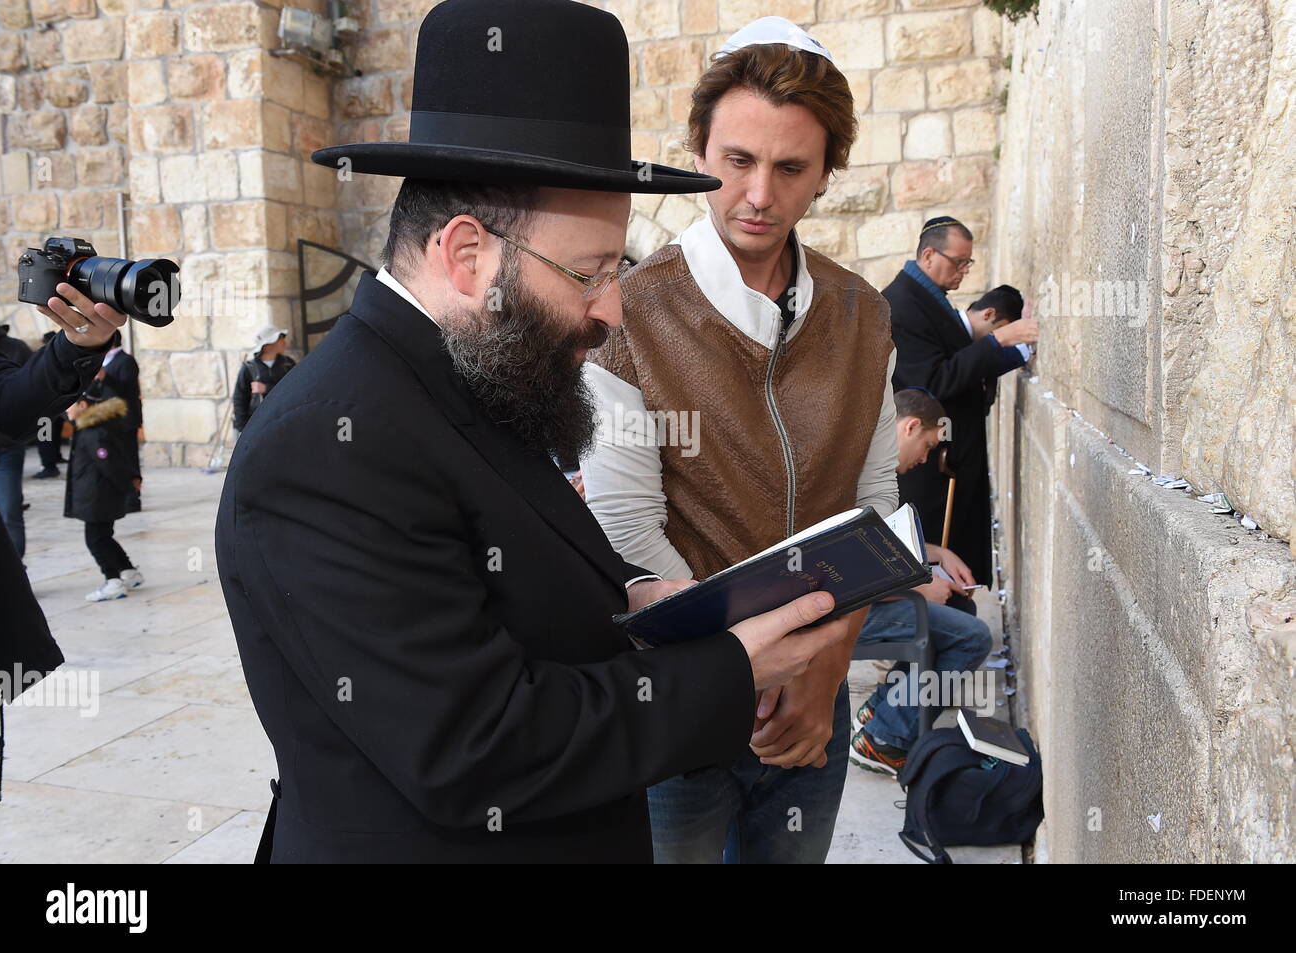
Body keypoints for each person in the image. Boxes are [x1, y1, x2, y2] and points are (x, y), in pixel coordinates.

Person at [215, 0, 855, 864]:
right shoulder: (324, 452)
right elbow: (478, 745)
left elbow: (492, 584)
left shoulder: (473, 374)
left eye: (617, 268)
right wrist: (733, 670)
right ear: (469, 256)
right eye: (588, 272)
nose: (613, 307)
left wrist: (626, 610)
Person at [581, 17, 897, 864]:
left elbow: (872, 511)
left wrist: (826, 664)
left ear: (827, 173)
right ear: (697, 150)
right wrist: (740, 671)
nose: (759, 193)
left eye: (790, 167)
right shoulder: (630, 312)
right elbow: (625, 530)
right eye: (737, 161)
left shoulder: (863, 313)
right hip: (683, 709)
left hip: (809, 711)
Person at [848, 386, 993, 776]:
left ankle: (882, 710)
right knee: (973, 637)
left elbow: (879, 542)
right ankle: (885, 739)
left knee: (962, 608)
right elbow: (845, 561)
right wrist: (919, 588)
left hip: (861, 601)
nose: (926, 459)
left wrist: (939, 555)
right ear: (910, 427)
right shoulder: (859, 467)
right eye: (927, 446)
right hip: (843, 611)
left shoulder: (868, 461)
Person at [884, 217, 1038, 584]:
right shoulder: (900, 304)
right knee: (944, 566)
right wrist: (999, 341)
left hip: (953, 456)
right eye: (959, 262)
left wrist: (1020, 349)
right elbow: (934, 379)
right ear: (928, 255)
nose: (965, 272)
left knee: (961, 563)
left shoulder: (929, 299)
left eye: (969, 263)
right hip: (934, 463)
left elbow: (962, 363)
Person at [0, 283, 126, 705]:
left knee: (14, 511)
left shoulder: (122, 368)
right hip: (91, 452)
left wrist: (76, 345)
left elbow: (10, 407)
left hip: (101, 453)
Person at [64, 378, 143, 602]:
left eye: (71, 404)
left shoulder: (93, 434)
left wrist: (128, 487)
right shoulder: (95, 428)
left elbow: (111, 465)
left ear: (84, 406)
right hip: (99, 495)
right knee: (104, 537)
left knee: (96, 540)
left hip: (99, 497)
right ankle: (128, 571)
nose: (66, 409)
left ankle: (113, 581)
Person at [0, 324, 35, 557]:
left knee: (10, 510)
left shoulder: (15, 349)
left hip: (8, 447)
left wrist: (43, 435)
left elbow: (36, 387)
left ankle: (17, 572)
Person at [94, 330, 143, 512]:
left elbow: (127, 389)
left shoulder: (126, 361)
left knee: (129, 460)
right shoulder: (103, 360)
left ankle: (133, 498)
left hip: (125, 420)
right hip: (108, 419)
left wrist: (106, 377)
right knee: (114, 460)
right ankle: (119, 496)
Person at [232, 326, 296, 433]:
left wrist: (266, 388)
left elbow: (295, 390)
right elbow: (239, 399)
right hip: (258, 428)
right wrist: (242, 430)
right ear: (267, 346)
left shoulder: (288, 364)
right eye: (279, 339)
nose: (284, 342)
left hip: (286, 423)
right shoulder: (249, 369)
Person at [32, 332, 68, 480]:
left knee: (44, 438)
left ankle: (49, 466)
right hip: (55, 407)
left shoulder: (45, 358)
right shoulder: (61, 356)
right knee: (52, 436)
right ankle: (54, 459)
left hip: (45, 409)